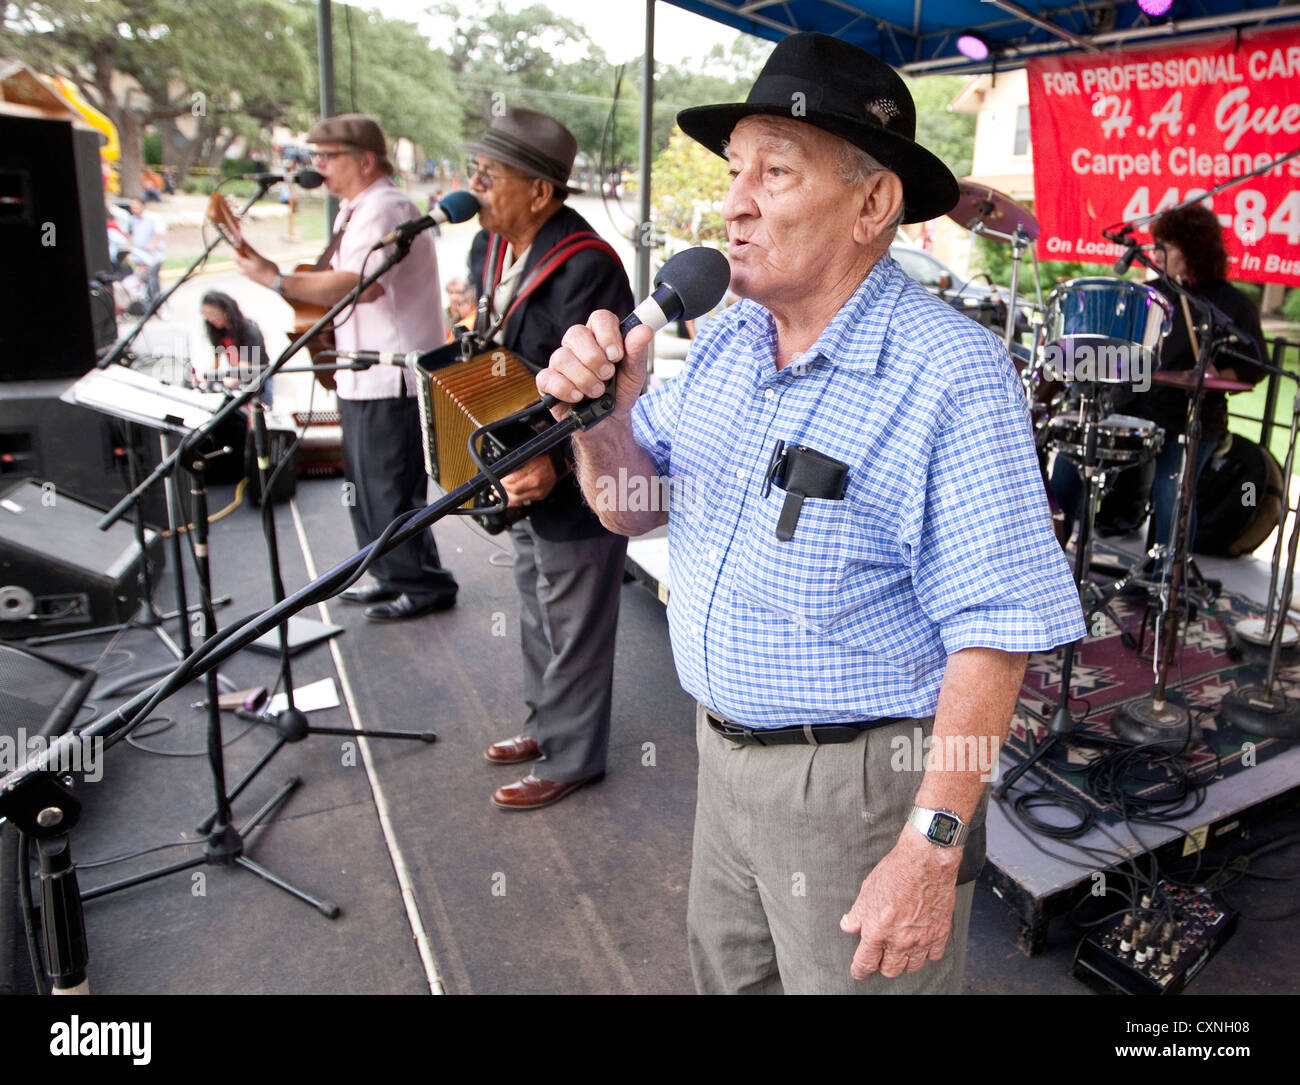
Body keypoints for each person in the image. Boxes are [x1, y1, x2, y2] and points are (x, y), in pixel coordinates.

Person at [538, 33, 1084, 993]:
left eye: (775, 173)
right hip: (720, 759)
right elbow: (633, 510)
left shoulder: (950, 373)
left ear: (875, 204)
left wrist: (931, 847)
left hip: (864, 796)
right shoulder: (735, 329)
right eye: (735, 170)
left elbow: (996, 638)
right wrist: (600, 417)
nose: (734, 202)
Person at [464, 107, 634, 811]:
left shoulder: (587, 266)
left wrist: (560, 464)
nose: (475, 188)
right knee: (536, 604)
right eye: (475, 173)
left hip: (577, 472)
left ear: (540, 192)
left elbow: (614, 389)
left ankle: (572, 756)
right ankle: (544, 725)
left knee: (576, 621)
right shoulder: (491, 250)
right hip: (519, 466)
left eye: (489, 177)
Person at [233, 113, 458, 621]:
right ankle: (387, 571)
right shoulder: (359, 209)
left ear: (364, 160)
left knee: (388, 487)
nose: (318, 167)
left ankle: (423, 585)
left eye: (327, 157)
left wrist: (277, 281)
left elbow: (364, 283)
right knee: (366, 486)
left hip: (390, 373)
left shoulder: (385, 208)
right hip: (362, 372)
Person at [1050, 205, 1266, 554]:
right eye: (1158, 244)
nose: (1158, 253)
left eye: (1167, 245)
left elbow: (1255, 365)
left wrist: (1215, 374)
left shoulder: (1232, 305)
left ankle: (1164, 583)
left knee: (1172, 493)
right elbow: (1116, 354)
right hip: (1132, 405)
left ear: (1194, 250)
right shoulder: (1148, 296)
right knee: (1068, 465)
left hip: (1188, 417)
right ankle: (1052, 558)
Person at [200, 291, 271, 406]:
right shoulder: (219, 331)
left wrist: (226, 383)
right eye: (206, 315)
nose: (210, 319)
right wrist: (206, 380)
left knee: (258, 417)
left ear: (226, 311)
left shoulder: (249, 331)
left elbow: (246, 366)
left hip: (258, 381)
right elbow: (215, 360)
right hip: (239, 377)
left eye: (213, 314)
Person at [126, 196, 165, 302]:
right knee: (141, 281)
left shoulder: (153, 218)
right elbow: (130, 234)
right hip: (139, 255)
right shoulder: (132, 219)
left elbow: (159, 232)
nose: (133, 209)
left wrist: (152, 244)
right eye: (132, 207)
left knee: (153, 280)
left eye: (136, 207)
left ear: (143, 206)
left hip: (153, 255)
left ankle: (157, 302)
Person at [442, 277, 477, 343]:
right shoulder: (441, 318)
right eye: (451, 292)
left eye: (458, 292)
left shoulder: (473, 318)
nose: (454, 297)